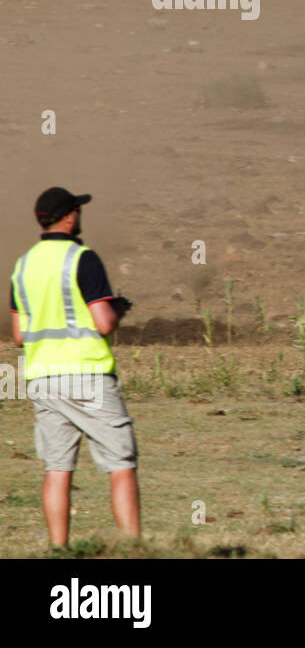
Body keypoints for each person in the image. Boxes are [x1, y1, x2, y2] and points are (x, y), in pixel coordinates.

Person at [10, 187, 139, 548]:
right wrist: (118, 309)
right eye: (76, 211)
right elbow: (103, 323)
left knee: (57, 468)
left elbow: (20, 335)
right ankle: (134, 551)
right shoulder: (83, 258)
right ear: (68, 216)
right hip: (87, 375)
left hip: (41, 379)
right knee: (121, 461)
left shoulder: (22, 266)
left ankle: (59, 551)